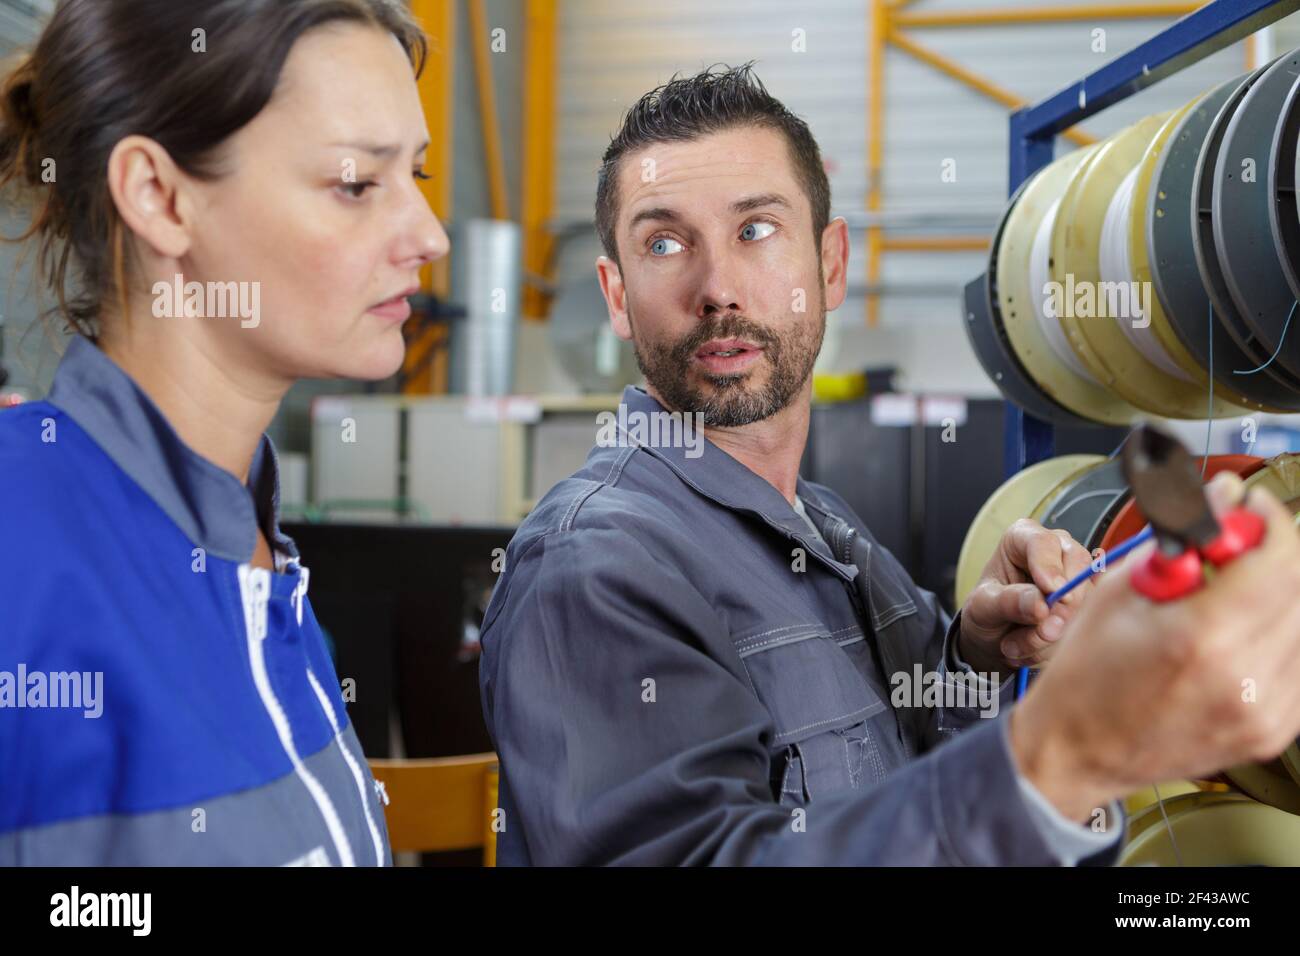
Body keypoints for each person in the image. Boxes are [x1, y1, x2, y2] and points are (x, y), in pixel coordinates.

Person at [477, 64, 1300, 865]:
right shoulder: (593, 569)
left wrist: (979, 657)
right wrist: (1068, 752)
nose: (718, 287)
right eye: (664, 242)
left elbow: (909, 775)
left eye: (755, 229)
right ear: (617, 295)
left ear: (829, 265)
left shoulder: (830, 530)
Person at [0, 0, 448, 865]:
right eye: (357, 183)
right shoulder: (21, 552)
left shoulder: (253, 550)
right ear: (160, 198)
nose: (427, 236)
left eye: (416, 178)